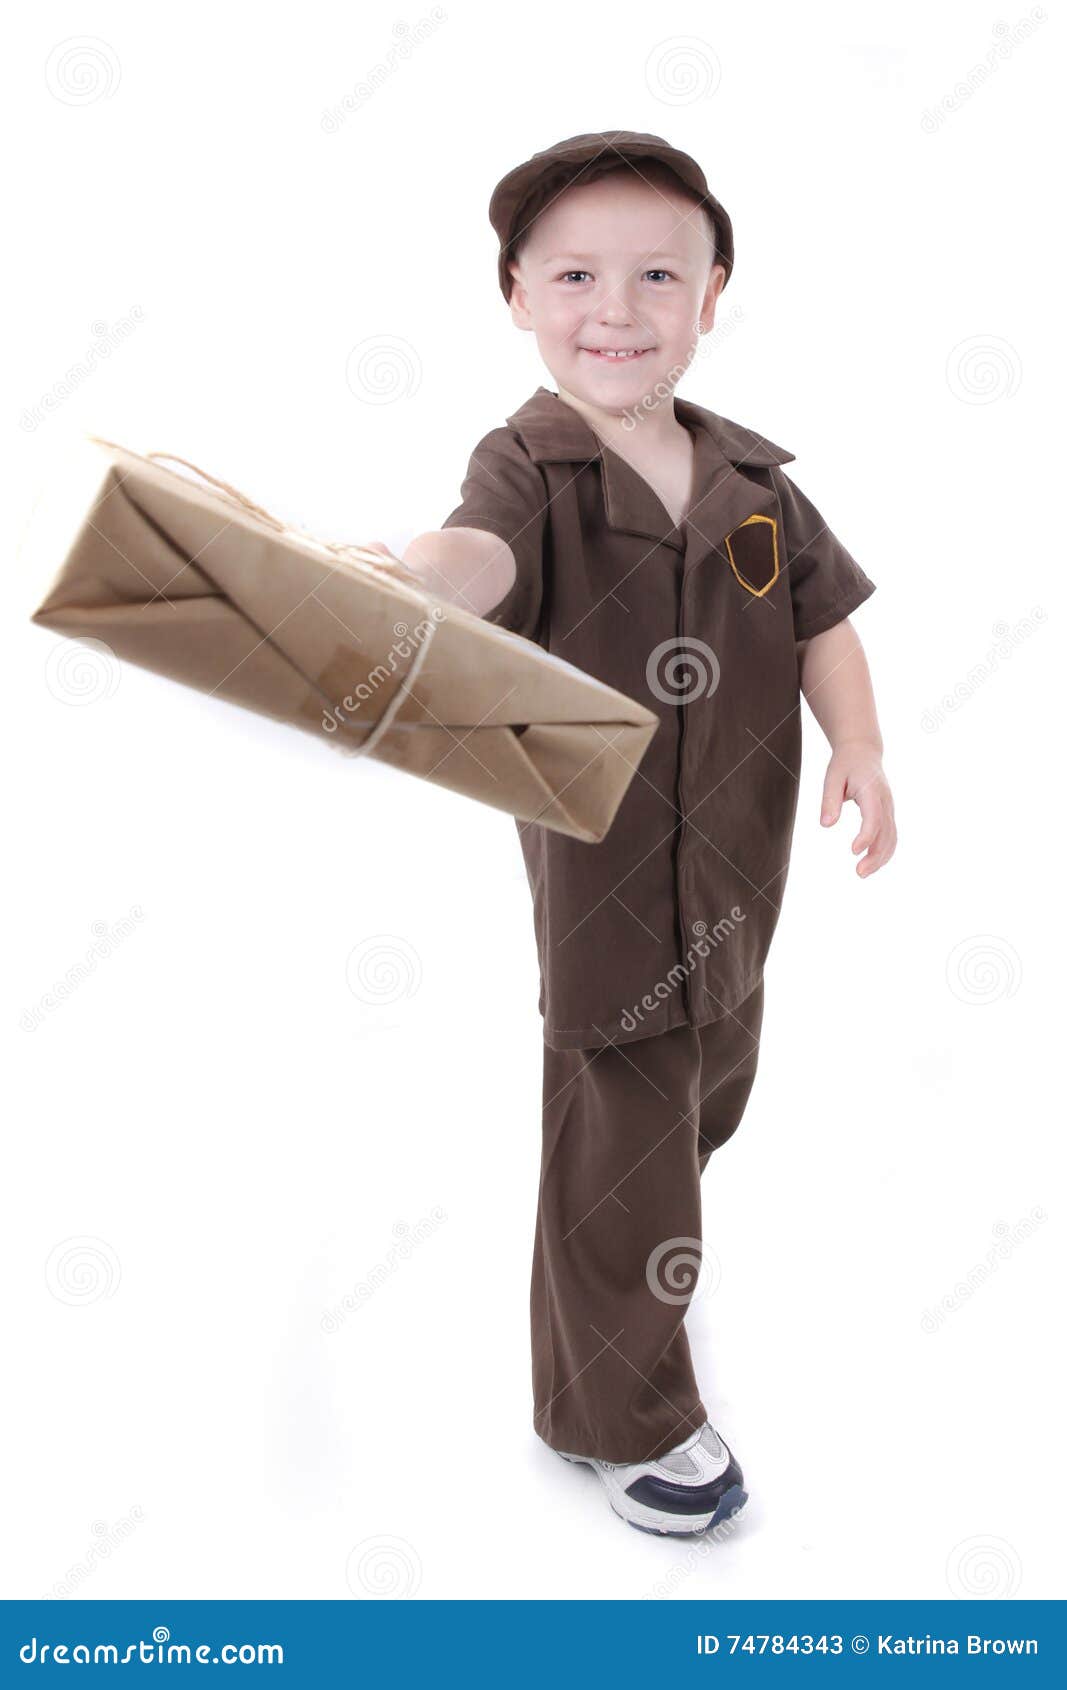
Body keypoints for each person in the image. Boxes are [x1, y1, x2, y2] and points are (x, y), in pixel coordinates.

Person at [367, 131, 897, 1536]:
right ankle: (617, 1410)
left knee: (706, 1092)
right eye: (577, 275)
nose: (618, 306)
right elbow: (468, 559)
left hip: (737, 874)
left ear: (714, 294)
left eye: (658, 273)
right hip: (611, 887)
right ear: (518, 296)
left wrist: (863, 742)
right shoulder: (529, 467)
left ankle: (637, 1249)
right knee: (623, 1131)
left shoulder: (752, 477)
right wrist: (411, 583)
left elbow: (822, 619)